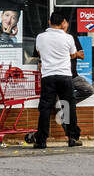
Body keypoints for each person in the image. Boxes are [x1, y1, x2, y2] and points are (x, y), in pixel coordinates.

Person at [33, 9, 83, 149]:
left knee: (45, 108)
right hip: (65, 76)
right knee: (69, 107)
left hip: (48, 76)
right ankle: (73, 137)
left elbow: (39, 52)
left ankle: (41, 140)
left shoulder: (40, 37)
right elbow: (73, 53)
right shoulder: (68, 38)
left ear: (49, 22)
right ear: (62, 24)